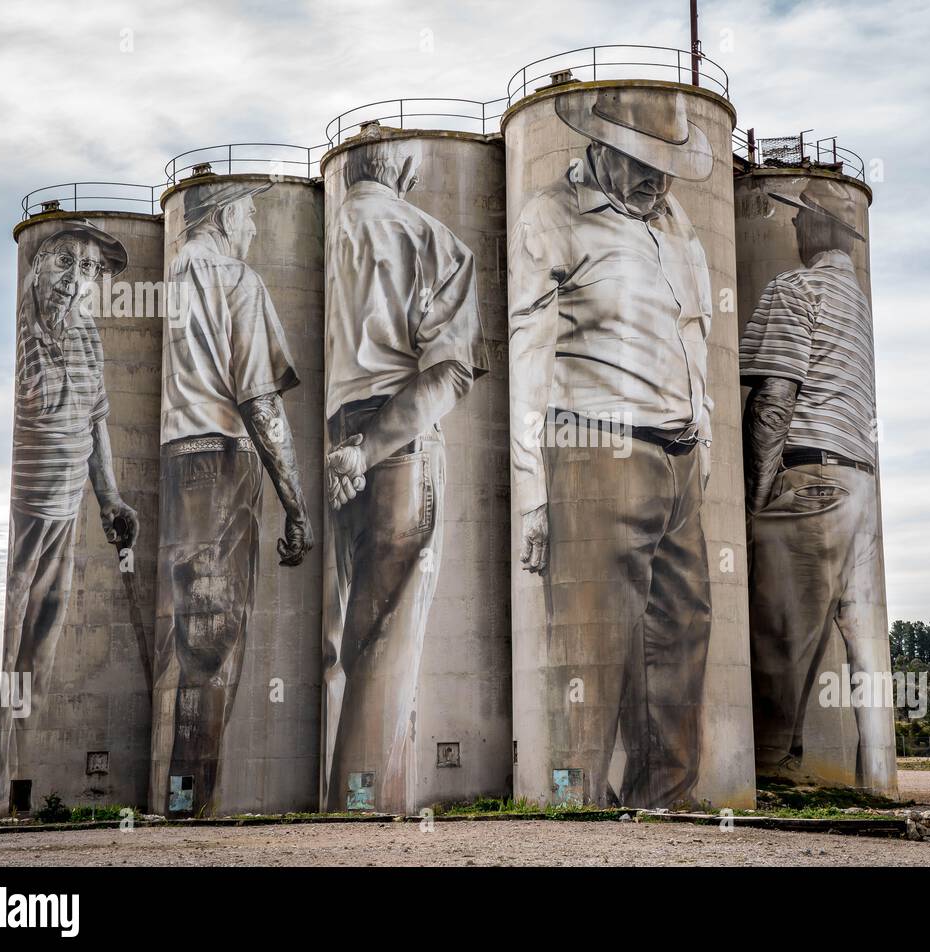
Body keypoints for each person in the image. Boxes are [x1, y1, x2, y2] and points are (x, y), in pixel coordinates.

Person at [508, 88, 716, 809]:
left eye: (669, 164)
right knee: (589, 656)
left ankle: (665, 810)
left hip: (679, 457)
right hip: (596, 447)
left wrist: (706, 435)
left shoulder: (674, 221)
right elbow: (528, 356)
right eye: (646, 162)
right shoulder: (552, 218)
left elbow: (694, 331)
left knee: (681, 640)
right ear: (603, 146)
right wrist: (535, 496)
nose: (659, 178)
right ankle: (575, 812)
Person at [322, 136, 488, 812]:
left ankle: (353, 803)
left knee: (354, 640)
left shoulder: (332, 230)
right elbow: (448, 373)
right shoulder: (430, 240)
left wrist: (347, 451)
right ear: (402, 169)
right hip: (395, 446)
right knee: (388, 641)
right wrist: (369, 451)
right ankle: (360, 811)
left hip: (338, 443)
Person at [155, 180, 312, 814]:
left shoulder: (169, 279)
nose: (254, 227)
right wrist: (295, 504)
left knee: (189, 641)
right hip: (222, 465)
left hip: (175, 463)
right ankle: (192, 804)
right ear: (224, 215)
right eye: (249, 213)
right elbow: (261, 401)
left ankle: (179, 796)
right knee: (218, 641)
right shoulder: (235, 277)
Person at [740, 184, 895, 793]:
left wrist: (757, 496)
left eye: (801, 214)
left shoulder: (793, 288)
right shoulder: (857, 302)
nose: (795, 224)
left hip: (814, 475)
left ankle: (767, 766)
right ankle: (876, 778)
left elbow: (775, 396)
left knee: (779, 624)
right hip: (862, 482)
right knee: (862, 638)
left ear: (816, 226)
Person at [0, 220, 137, 816]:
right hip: (32, 501)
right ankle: (11, 765)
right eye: (64, 263)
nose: (75, 281)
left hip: (70, 503)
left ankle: (26, 745)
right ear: (36, 265)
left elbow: (99, 416)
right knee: (17, 619)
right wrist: (48, 267)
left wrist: (110, 498)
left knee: (50, 622)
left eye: (87, 271)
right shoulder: (35, 314)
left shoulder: (84, 329)